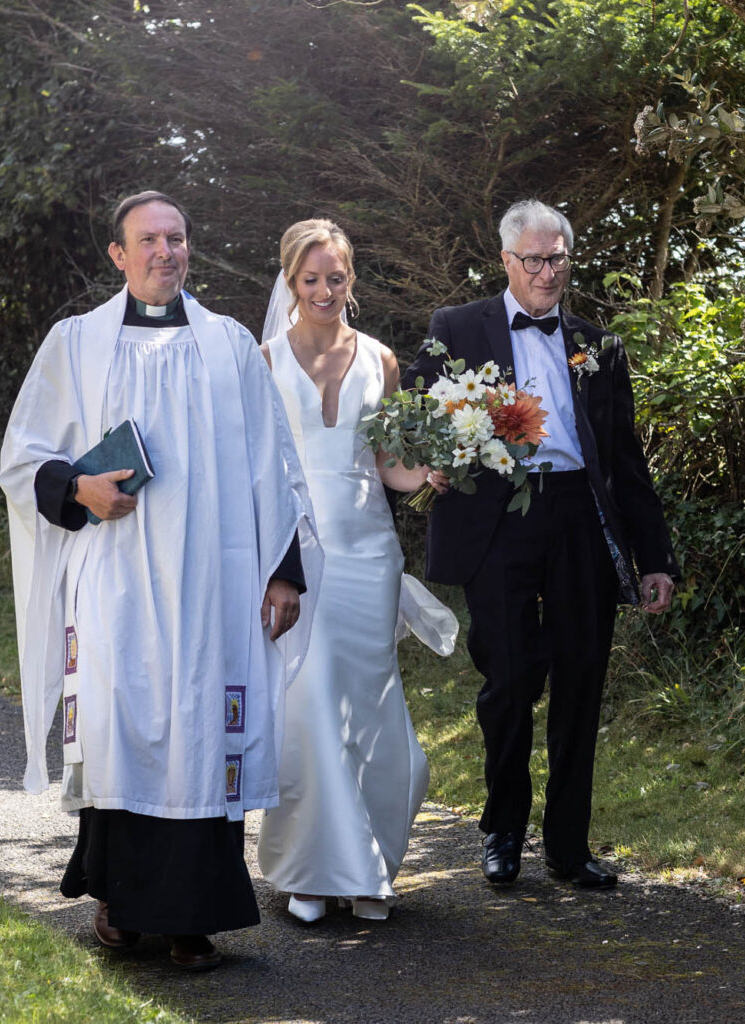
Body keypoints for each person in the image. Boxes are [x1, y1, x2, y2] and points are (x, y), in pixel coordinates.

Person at [0, 191, 321, 969]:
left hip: (213, 583)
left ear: (188, 249)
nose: (164, 252)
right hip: (113, 579)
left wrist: (283, 575)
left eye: (175, 239)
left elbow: (276, 464)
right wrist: (78, 489)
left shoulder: (230, 346)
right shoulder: (76, 343)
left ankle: (191, 917)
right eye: (147, 240)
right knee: (123, 726)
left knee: (200, 731)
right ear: (118, 254)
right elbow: (23, 455)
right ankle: (117, 898)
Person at [404, 199, 678, 890]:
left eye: (557, 259)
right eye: (533, 260)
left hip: (579, 517)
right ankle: (502, 830)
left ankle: (567, 845)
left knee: (581, 678)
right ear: (506, 260)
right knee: (510, 678)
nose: (547, 273)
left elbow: (626, 459)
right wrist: (434, 459)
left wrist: (655, 559)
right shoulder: (456, 327)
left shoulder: (599, 346)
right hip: (496, 518)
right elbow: (415, 412)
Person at [254, 218, 456, 923]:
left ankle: (368, 864)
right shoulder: (264, 359)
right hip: (299, 554)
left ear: (351, 280)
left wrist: (427, 473)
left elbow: (387, 463)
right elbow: (258, 468)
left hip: (371, 553)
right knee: (310, 705)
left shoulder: (381, 360)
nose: (324, 290)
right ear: (291, 282)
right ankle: (314, 872)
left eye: (335, 278)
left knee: (370, 707)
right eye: (311, 279)